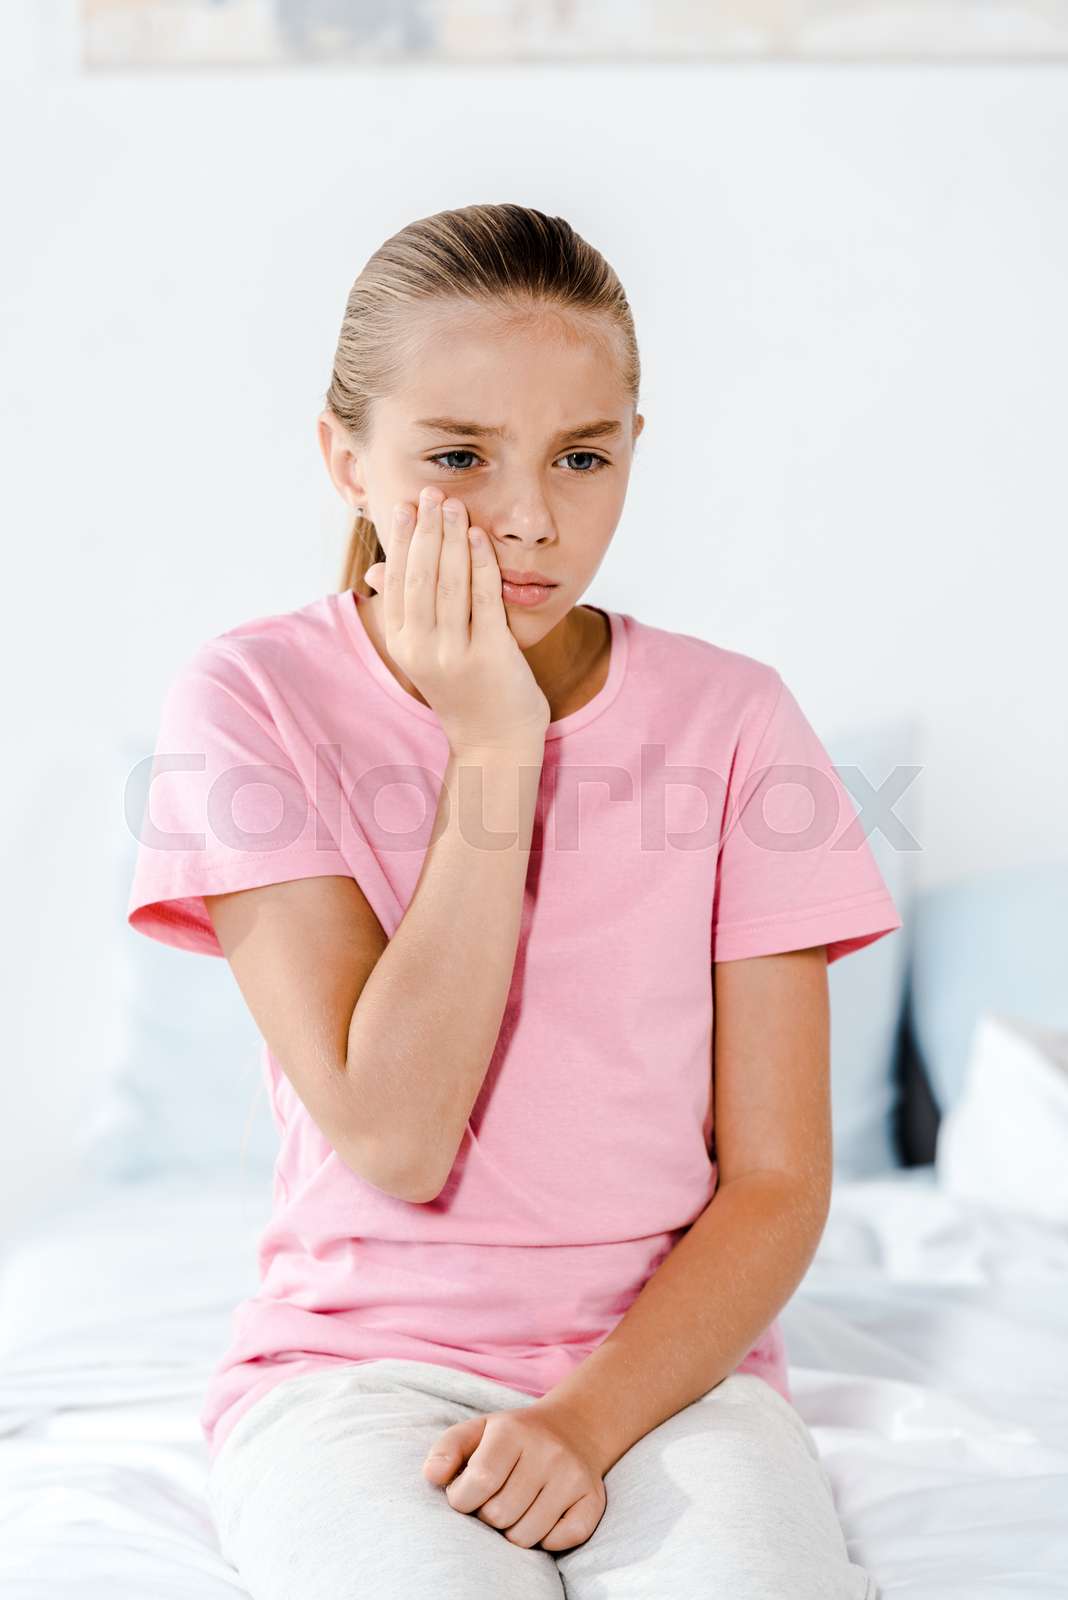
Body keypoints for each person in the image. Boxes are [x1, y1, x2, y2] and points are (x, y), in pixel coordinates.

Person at [127, 203, 899, 1598]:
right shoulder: (251, 703)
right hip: (353, 1379)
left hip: (672, 1379)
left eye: (582, 456)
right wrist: (495, 746)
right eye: (458, 457)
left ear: (631, 455)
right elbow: (396, 1134)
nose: (532, 517)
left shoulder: (736, 721)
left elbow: (779, 1181)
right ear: (344, 460)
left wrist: (588, 1422)